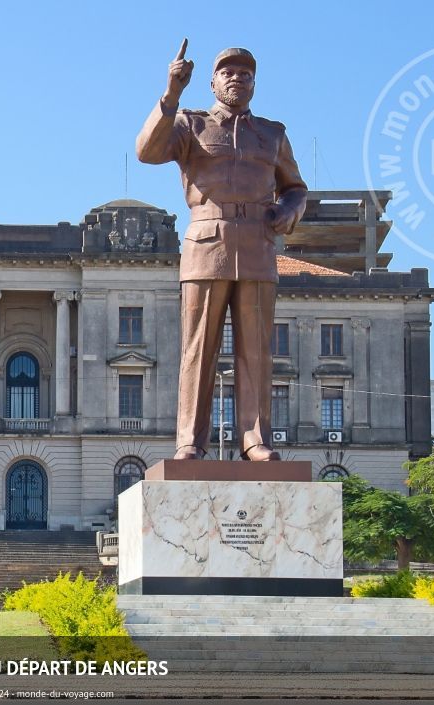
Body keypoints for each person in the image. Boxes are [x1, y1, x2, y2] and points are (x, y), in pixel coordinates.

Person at [136, 41, 307, 461]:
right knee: (199, 348)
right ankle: (190, 441)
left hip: (257, 244)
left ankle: (255, 439)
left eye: (245, 73)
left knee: (256, 351)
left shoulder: (272, 134)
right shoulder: (190, 124)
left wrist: (289, 208)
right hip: (206, 242)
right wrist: (171, 94)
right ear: (212, 82)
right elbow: (147, 151)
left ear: (254, 84)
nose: (237, 78)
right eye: (228, 72)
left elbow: (295, 186)